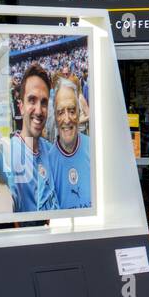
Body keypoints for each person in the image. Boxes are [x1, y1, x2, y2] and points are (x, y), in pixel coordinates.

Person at [5, 63, 57, 215]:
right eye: (32, 100)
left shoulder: (51, 151)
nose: (39, 111)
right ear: (20, 107)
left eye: (44, 102)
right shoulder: (9, 155)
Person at [47, 73, 92, 210]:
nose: (67, 119)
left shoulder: (95, 150)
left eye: (72, 111)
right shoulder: (48, 160)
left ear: (79, 113)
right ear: (55, 115)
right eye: (61, 112)